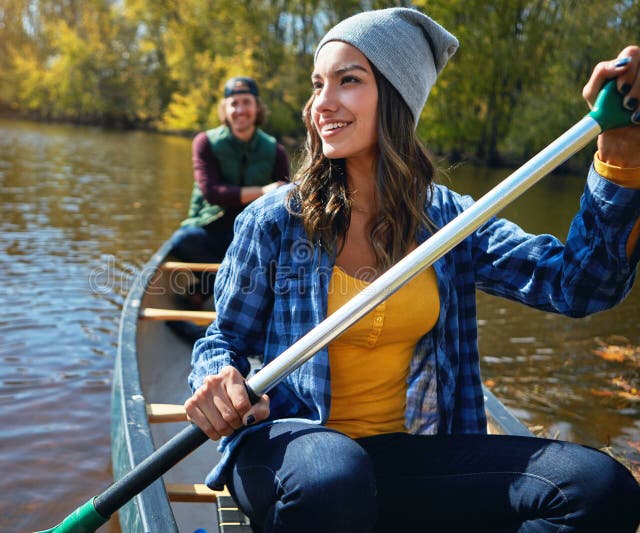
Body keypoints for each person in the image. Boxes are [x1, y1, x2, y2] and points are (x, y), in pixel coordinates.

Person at [184, 7, 640, 533]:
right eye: (317, 85)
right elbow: (222, 339)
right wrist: (218, 380)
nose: (320, 104)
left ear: (398, 99)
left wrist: (621, 151)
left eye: (348, 81)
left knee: (600, 488)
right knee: (335, 474)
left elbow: (581, 285)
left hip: (404, 458)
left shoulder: (451, 221)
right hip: (290, 450)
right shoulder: (274, 221)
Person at [170, 76, 290, 308]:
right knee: (182, 240)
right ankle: (223, 283)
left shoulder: (276, 151)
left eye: (246, 102)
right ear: (225, 109)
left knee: (282, 253)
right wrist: (264, 191)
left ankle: (204, 291)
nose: (240, 110)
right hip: (210, 231)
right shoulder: (205, 142)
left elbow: (284, 204)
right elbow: (213, 193)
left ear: (257, 108)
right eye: (234, 103)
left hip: (251, 235)